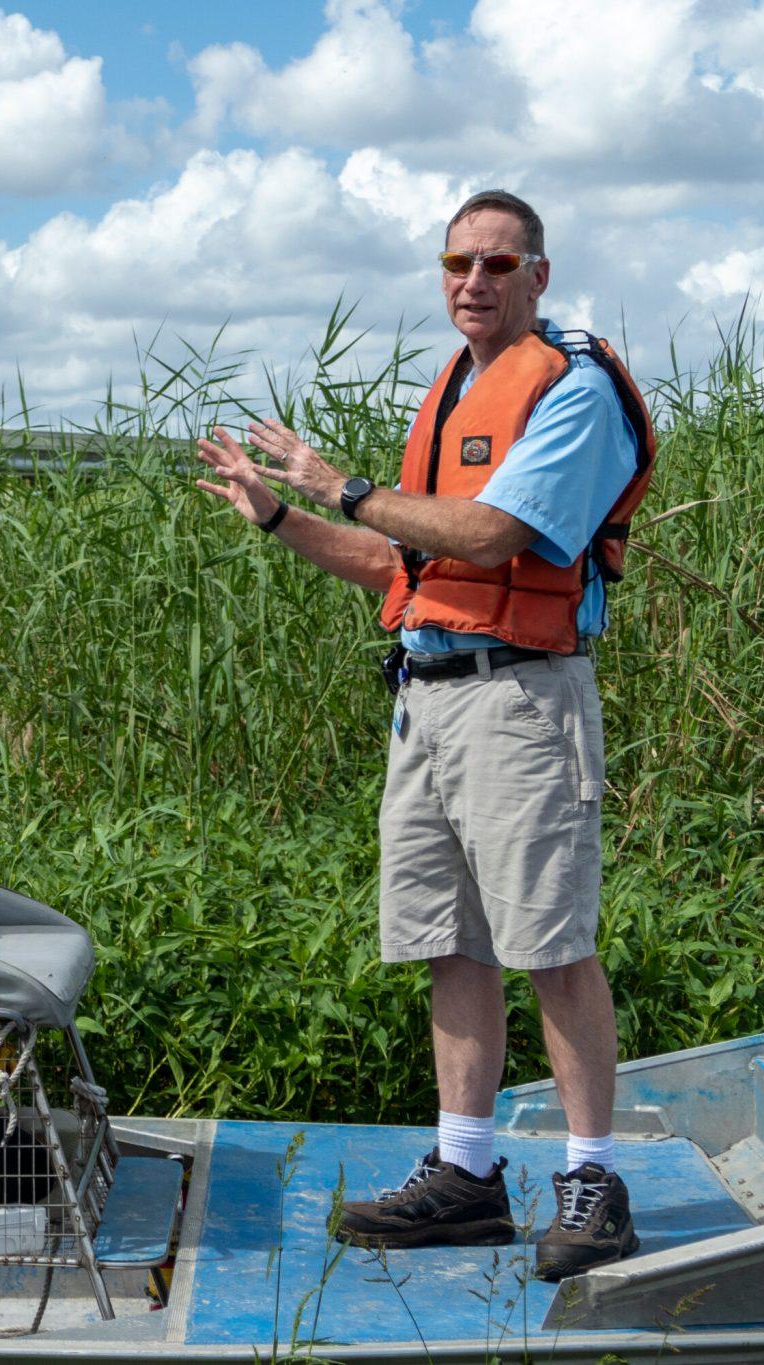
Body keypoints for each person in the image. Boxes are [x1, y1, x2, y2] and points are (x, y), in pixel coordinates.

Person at [193, 190, 655, 1280]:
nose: (472, 282)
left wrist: (344, 485)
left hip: (521, 700)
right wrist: (279, 514)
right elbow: (401, 568)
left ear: (537, 276)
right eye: (456, 263)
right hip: (430, 696)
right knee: (450, 939)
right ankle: (464, 1176)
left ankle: (591, 1179)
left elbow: (493, 538)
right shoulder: (448, 393)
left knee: (548, 939)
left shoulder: (571, 392)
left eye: (497, 264)